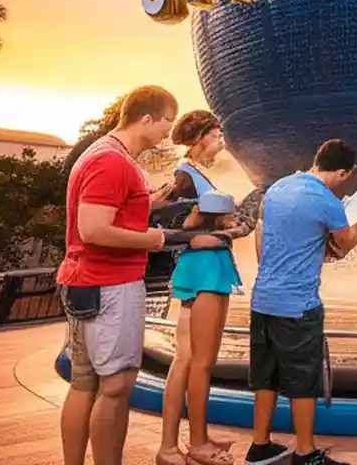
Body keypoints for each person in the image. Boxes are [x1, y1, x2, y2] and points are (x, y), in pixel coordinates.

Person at [57, 86, 225, 465]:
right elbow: (93, 230)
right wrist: (159, 238)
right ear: (145, 118)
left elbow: (108, 213)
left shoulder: (102, 154)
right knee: (115, 388)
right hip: (108, 284)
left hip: (87, 282)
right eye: (167, 120)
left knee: (85, 384)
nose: (170, 130)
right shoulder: (112, 162)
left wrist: (148, 204)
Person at [245, 139, 357, 465]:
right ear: (343, 172)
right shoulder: (326, 200)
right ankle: (305, 452)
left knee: (266, 376)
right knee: (304, 380)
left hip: (263, 300)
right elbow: (343, 246)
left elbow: (263, 238)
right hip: (298, 305)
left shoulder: (277, 188)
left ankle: (260, 445)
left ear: (316, 160)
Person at [157, 111, 254, 465]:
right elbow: (172, 225)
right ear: (201, 137)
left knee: (185, 360)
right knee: (201, 362)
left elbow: (185, 223)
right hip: (206, 272)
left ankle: (172, 446)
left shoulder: (193, 174)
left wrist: (215, 225)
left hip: (198, 270)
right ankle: (197, 445)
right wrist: (197, 231)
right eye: (217, 135)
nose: (222, 141)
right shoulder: (185, 176)